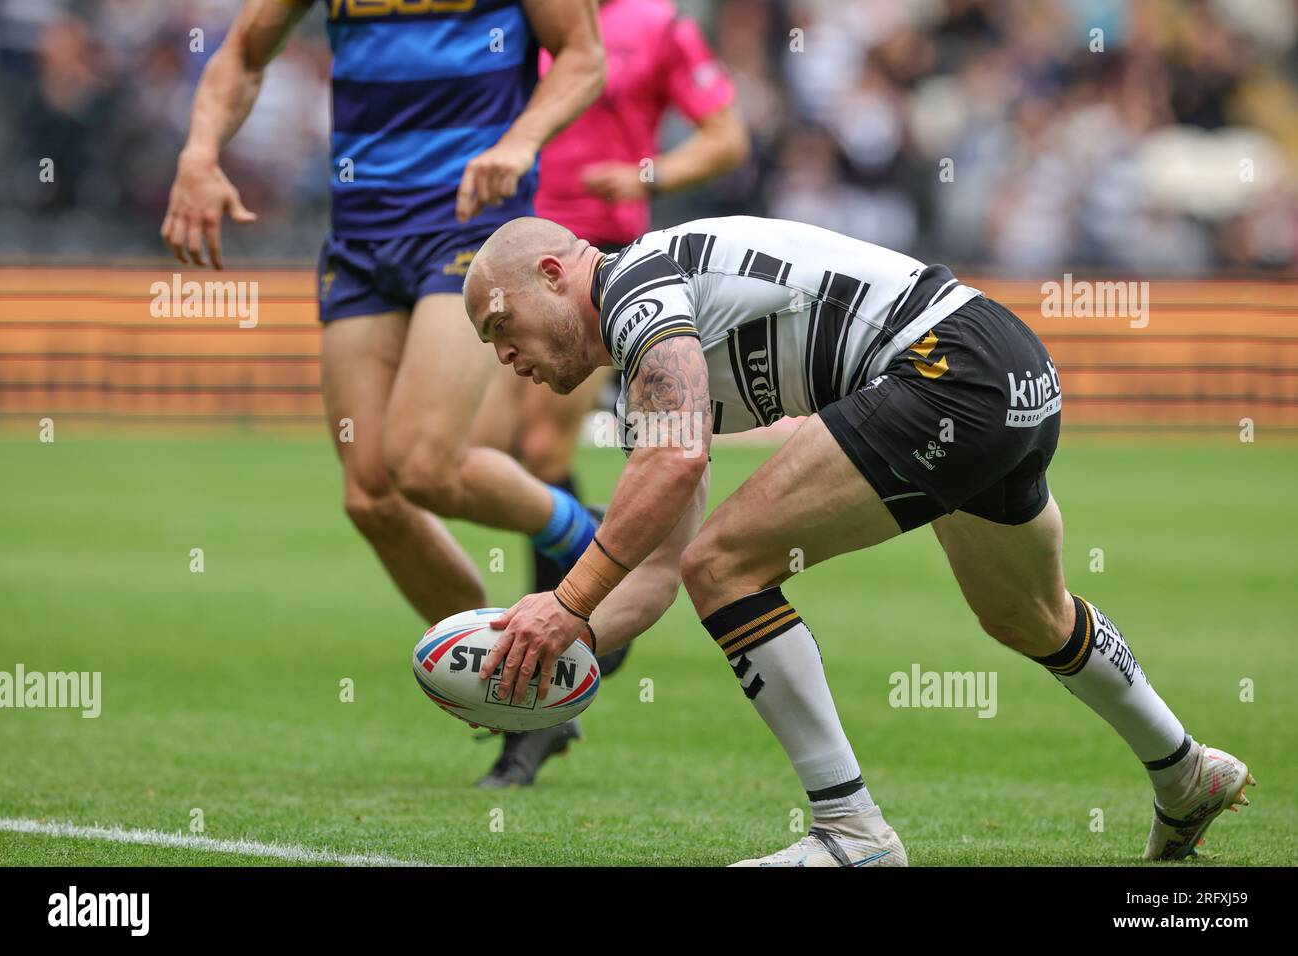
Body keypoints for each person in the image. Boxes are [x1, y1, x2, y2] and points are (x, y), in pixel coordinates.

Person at [461, 214, 1254, 865]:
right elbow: (658, 569)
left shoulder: (634, 284)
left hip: (945, 367)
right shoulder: (648, 366)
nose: (505, 355)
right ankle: (1185, 769)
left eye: (502, 325)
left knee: (726, 566)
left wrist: (567, 600)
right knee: (1029, 616)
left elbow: (677, 461)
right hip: (1008, 367)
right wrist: (549, 650)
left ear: (555, 275)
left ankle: (850, 832)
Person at [160, 0, 610, 635]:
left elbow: (584, 56)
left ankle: (583, 539)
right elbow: (241, 53)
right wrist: (199, 154)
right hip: (360, 238)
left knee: (423, 464)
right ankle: (493, 667)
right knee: (370, 496)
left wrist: (520, 140)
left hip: (468, 226)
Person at [470, 0, 749, 788]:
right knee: (472, 457)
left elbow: (728, 138)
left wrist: (647, 174)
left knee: (540, 448)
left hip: (600, 273)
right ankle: (600, 541)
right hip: (515, 259)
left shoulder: (657, 26)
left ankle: (546, 682)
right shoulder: (523, 18)